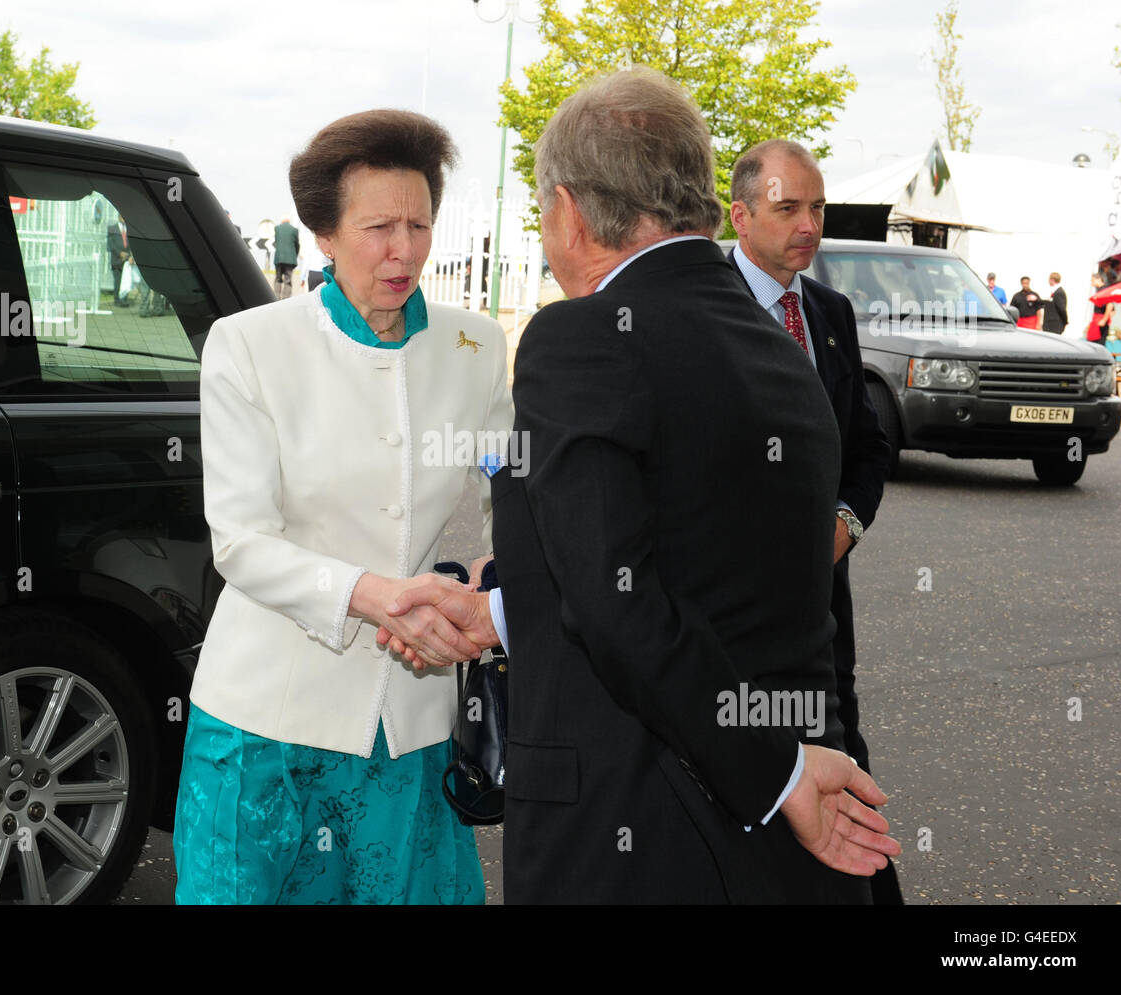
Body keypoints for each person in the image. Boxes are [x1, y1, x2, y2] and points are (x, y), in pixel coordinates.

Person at [383, 68, 900, 903]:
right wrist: (498, 609)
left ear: (573, 212)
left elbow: (617, 601)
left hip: (643, 833)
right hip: (783, 840)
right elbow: (667, 561)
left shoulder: (581, 338)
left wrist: (778, 773)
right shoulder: (781, 341)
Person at [172, 109, 514, 905]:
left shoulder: (472, 347)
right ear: (322, 234)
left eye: (420, 224)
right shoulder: (250, 344)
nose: (404, 250)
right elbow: (242, 541)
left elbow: (514, 490)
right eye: (378, 227)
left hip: (411, 723)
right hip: (266, 721)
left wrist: (501, 584)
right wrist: (384, 598)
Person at [726, 139, 902, 904]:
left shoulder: (829, 312)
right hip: (730, 613)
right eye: (787, 207)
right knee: (743, 767)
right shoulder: (708, 313)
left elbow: (868, 446)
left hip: (825, 612)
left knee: (839, 755)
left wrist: (845, 524)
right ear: (740, 214)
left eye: (818, 207)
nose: (808, 224)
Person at [106, 214, 131, 306]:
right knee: (117, 280)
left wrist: (128, 255)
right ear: (119, 217)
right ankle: (117, 300)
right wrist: (120, 253)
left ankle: (124, 299)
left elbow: (131, 243)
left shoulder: (129, 229)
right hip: (116, 260)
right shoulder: (112, 228)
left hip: (127, 260)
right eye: (122, 217)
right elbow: (110, 244)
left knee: (126, 280)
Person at [273, 215, 300, 299]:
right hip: (290, 259)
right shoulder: (294, 230)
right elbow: (297, 245)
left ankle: (276, 298)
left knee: (278, 278)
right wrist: (295, 255)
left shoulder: (277, 229)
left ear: (282, 221)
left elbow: (276, 242)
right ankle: (285, 299)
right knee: (287, 280)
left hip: (279, 258)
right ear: (289, 221)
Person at [1088, 272, 1115, 344]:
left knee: (1098, 343)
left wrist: (1104, 320)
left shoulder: (1105, 290)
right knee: (1093, 342)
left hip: (1100, 319)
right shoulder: (1100, 290)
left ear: (1099, 279)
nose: (1091, 283)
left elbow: (1110, 306)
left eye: (1092, 280)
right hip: (1098, 318)